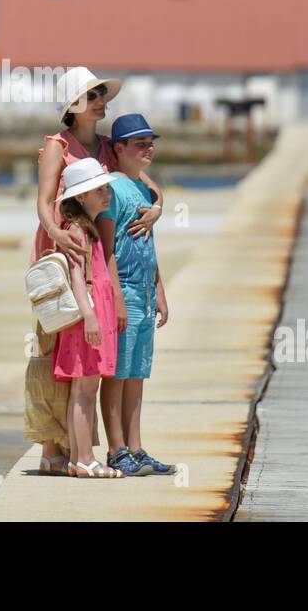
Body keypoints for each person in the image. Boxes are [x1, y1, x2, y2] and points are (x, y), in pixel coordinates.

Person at [23, 67, 162, 475]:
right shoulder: (56, 145)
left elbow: (144, 182)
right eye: (92, 95)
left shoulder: (105, 145)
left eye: (102, 94)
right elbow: (45, 201)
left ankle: (75, 449)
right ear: (73, 106)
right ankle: (52, 448)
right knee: (53, 351)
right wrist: (54, 235)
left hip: (97, 255)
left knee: (83, 358)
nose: (101, 100)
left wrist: (159, 206)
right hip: (63, 248)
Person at [98, 114, 173, 477]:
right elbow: (107, 249)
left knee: (137, 374)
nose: (149, 148)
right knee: (116, 373)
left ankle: (137, 446)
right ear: (119, 148)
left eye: (151, 142)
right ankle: (116, 448)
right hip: (123, 289)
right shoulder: (111, 188)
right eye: (140, 144)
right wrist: (116, 298)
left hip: (145, 291)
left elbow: (149, 245)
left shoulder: (144, 190)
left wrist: (159, 290)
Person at [50, 158, 124, 478]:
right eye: (99, 190)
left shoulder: (86, 229)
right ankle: (84, 459)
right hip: (88, 313)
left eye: (106, 188)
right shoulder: (78, 231)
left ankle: (79, 458)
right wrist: (90, 316)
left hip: (94, 310)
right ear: (81, 197)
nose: (106, 194)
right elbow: (78, 277)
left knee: (84, 388)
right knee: (85, 389)